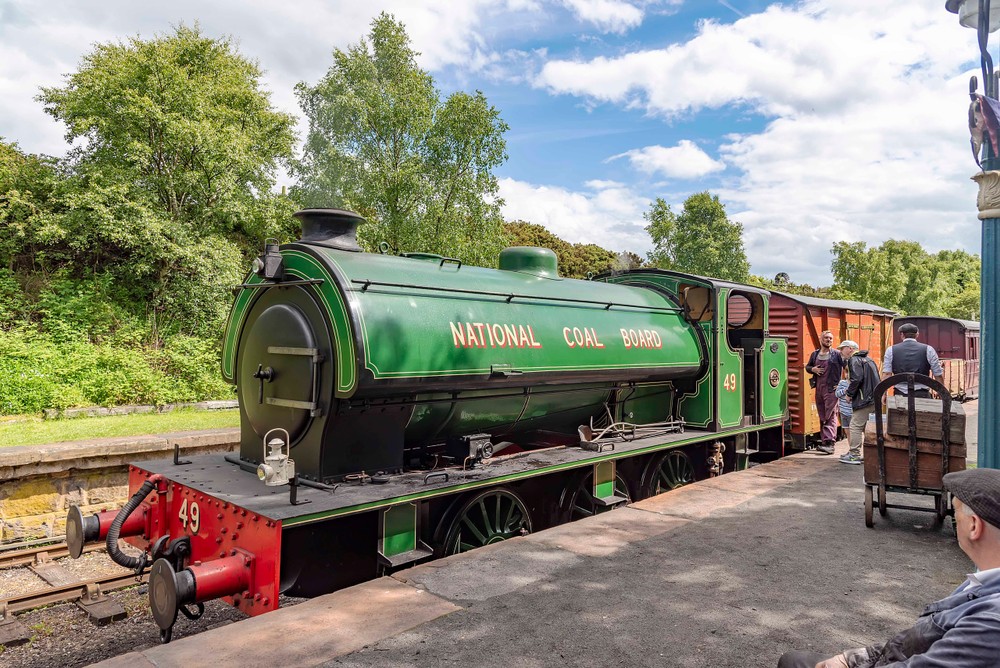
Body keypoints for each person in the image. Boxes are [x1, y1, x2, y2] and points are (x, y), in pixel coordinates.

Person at [776, 467, 1000, 667]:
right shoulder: (984, 580)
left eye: (956, 512)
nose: (954, 519)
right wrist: (851, 658)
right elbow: (913, 642)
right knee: (794, 660)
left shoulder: (990, 625)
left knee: (793, 662)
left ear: (973, 526)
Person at [837, 340, 879, 465]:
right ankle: (873, 453)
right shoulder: (869, 359)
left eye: (842, 349)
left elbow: (856, 379)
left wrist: (849, 394)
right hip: (873, 398)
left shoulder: (853, 360)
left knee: (854, 425)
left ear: (850, 349)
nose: (840, 352)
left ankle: (854, 455)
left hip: (863, 399)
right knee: (868, 427)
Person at [805, 330, 846, 455]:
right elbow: (807, 367)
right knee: (822, 415)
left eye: (831, 338)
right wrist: (813, 369)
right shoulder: (815, 354)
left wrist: (842, 384)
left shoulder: (837, 354)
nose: (829, 340)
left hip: (831, 389)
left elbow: (847, 367)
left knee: (831, 415)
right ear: (821, 339)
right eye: (826, 338)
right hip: (819, 388)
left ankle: (830, 443)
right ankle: (825, 442)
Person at [882, 323, 944, 399]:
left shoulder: (890, 350)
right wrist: (941, 392)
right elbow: (938, 374)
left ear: (902, 335)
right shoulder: (928, 349)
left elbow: (887, 374)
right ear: (917, 334)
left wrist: (883, 394)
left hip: (900, 395)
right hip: (922, 394)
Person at [834, 373, 852, 442]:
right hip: (843, 412)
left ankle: (854, 448)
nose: (848, 374)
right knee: (847, 432)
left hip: (852, 412)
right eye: (846, 372)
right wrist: (845, 391)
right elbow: (837, 394)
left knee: (853, 432)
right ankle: (851, 448)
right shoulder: (842, 382)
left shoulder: (855, 384)